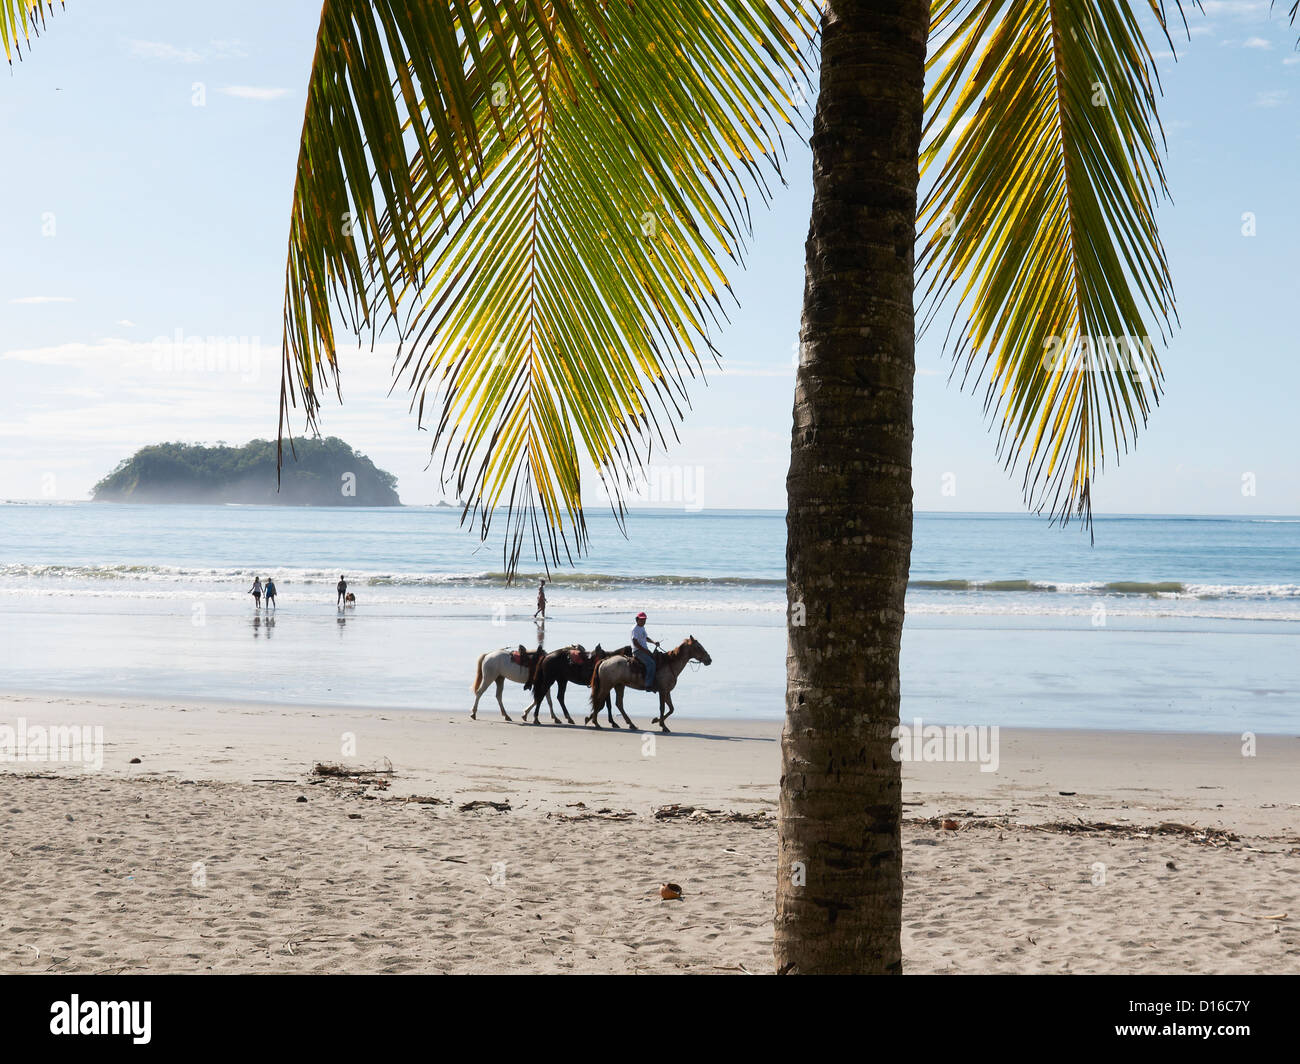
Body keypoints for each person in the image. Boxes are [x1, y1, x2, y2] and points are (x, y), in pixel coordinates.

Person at [631, 611, 660, 692]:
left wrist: (654, 642)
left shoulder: (642, 628)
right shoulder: (635, 629)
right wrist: (645, 651)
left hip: (644, 650)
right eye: (642, 620)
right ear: (637, 619)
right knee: (651, 663)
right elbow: (635, 643)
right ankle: (648, 684)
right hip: (638, 651)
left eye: (644, 620)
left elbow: (646, 638)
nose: (643, 621)